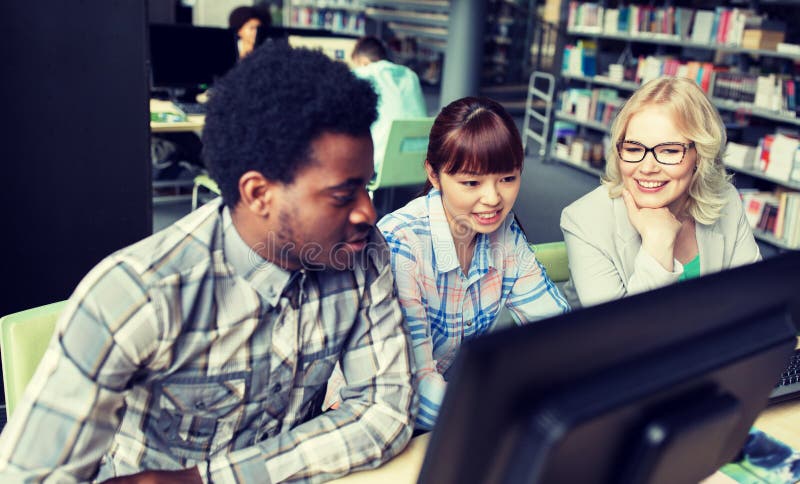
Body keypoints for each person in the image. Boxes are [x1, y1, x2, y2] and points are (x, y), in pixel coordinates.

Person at [0, 42, 414, 483]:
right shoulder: (139, 294)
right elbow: (32, 476)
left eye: (366, 187)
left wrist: (204, 479)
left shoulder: (362, 254)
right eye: (342, 195)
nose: (368, 213)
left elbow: (383, 412)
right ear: (258, 194)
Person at [378, 96, 570, 430]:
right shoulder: (402, 244)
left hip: (449, 412)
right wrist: (508, 412)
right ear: (434, 175)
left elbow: (559, 332)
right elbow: (414, 387)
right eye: (471, 183)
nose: (494, 198)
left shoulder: (504, 232)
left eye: (507, 178)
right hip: (384, 415)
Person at [560, 76, 761, 308]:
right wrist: (658, 242)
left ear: (701, 156)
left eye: (668, 151)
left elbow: (753, 300)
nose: (647, 168)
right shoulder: (585, 221)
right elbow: (622, 336)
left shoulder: (726, 200)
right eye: (634, 148)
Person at [351, 36, 427, 176]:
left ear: (363, 62)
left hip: (379, 168)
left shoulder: (360, 75)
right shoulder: (410, 76)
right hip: (418, 166)